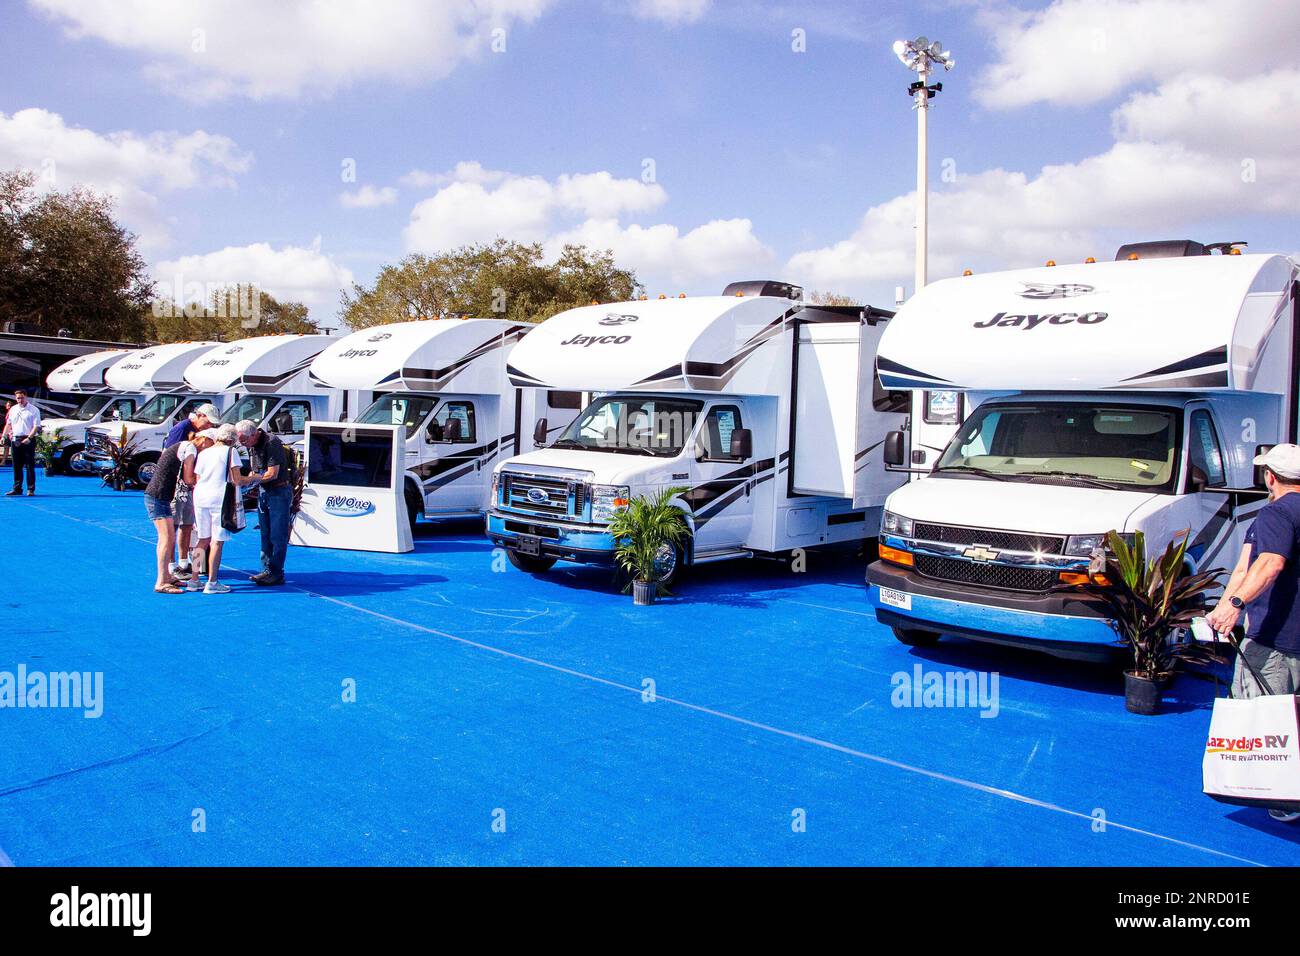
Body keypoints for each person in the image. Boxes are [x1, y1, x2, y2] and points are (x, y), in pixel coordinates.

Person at [1207, 443, 1300, 824]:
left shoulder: (1276, 513)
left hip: (1275, 638)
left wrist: (1232, 607)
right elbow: (1248, 567)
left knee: (1267, 718)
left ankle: (1280, 794)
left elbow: (1268, 564)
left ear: (1270, 477)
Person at [189, 424, 251, 594]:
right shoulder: (231, 452)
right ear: (231, 440)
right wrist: (254, 478)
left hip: (200, 496)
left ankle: (194, 579)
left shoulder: (204, 453)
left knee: (202, 540)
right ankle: (212, 581)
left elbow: (198, 477)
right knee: (217, 540)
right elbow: (237, 479)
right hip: (219, 497)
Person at [236, 419, 295, 586]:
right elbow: (257, 470)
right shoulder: (252, 444)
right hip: (264, 490)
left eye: (245, 441)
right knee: (265, 533)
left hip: (278, 491)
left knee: (277, 534)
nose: (244, 445)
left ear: (254, 434)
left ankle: (276, 572)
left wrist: (251, 480)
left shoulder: (271, 442)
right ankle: (267, 569)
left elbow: (273, 473)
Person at [142, 438, 197, 594]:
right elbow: (188, 479)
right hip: (159, 496)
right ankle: (161, 581)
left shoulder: (183, 447)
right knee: (167, 538)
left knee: (168, 537)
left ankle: (167, 574)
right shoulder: (189, 448)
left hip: (161, 496)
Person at [171, 430, 200, 580]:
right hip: (176, 493)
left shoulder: (203, 452)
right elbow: (189, 478)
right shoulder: (190, 448)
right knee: (172, 530)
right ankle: (173, 567)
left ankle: (190, 568)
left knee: (191, 528)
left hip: (192, 494)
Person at [4, 389, 41, 496]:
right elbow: (8, 424)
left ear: (26, 397)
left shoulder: (34, 410)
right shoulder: (13, 409)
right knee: (16, 465)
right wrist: (5, 436)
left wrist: (29, 437)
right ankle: (17, 488)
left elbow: (36, 426)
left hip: (28, 439)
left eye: (21, 398)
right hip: (15, 439)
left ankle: (30, 489)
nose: (19, 400)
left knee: (29, 465)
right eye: (17, 398)